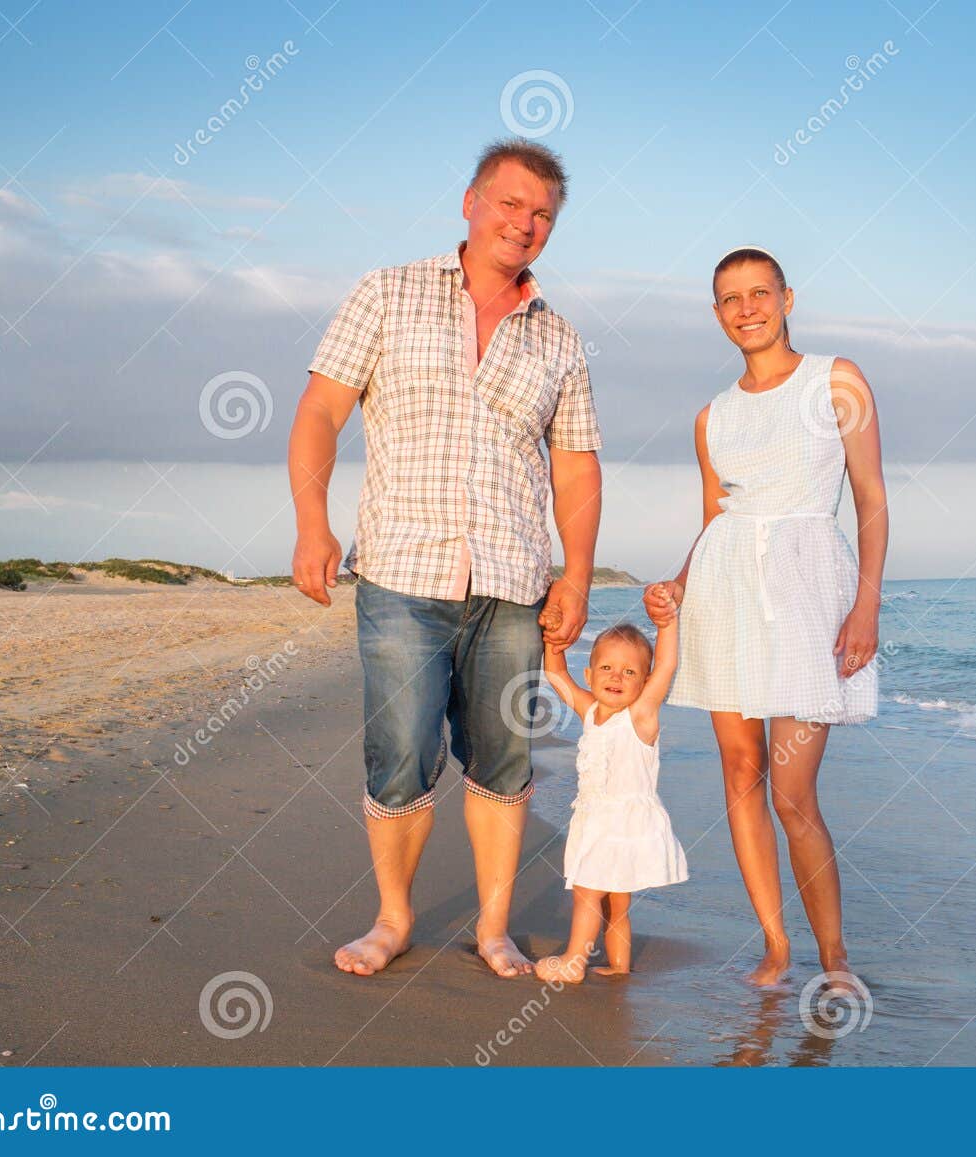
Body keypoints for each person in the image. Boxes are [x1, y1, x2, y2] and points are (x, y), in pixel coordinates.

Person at [287, 138, 603, 979]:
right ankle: (393, 919)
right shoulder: (386, 294)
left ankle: (494, 926)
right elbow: (321, 410)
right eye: (511, 203)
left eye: (542, 214)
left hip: (512, 583)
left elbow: (575, 466)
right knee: (398, 754)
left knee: (504, 758)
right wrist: (311, 523)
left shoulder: (560, 338)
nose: (524, 223)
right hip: (401, 573)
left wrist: (575, 573)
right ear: (470, 201)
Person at [645, 246, 887, 990]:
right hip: (723, 594)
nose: (746, 308)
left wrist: (867, 601)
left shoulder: (836, 380)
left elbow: (871, 499)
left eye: (759, 293)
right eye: (729, 298)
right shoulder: (711, 417)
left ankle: (835, 957)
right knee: (741, 772)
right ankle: (777, 947)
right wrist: (678, 586)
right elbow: (717, 517)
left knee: (791, 790)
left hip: (809, 593)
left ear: (787, 297)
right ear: (716, 313)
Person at [533, 606, 689, 984]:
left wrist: (666, 624)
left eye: (630, 672)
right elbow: (554, 673)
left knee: (588, 891)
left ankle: (573, 960)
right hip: (599, 822)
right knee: (615, 905)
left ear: (645, 683)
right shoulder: (590, 711)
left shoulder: (640, 717)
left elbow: (666, 666)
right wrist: (554, 637)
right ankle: (619, 966)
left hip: (618, 826)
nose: (616, 677)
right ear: (589, 675)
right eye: (606, 668)